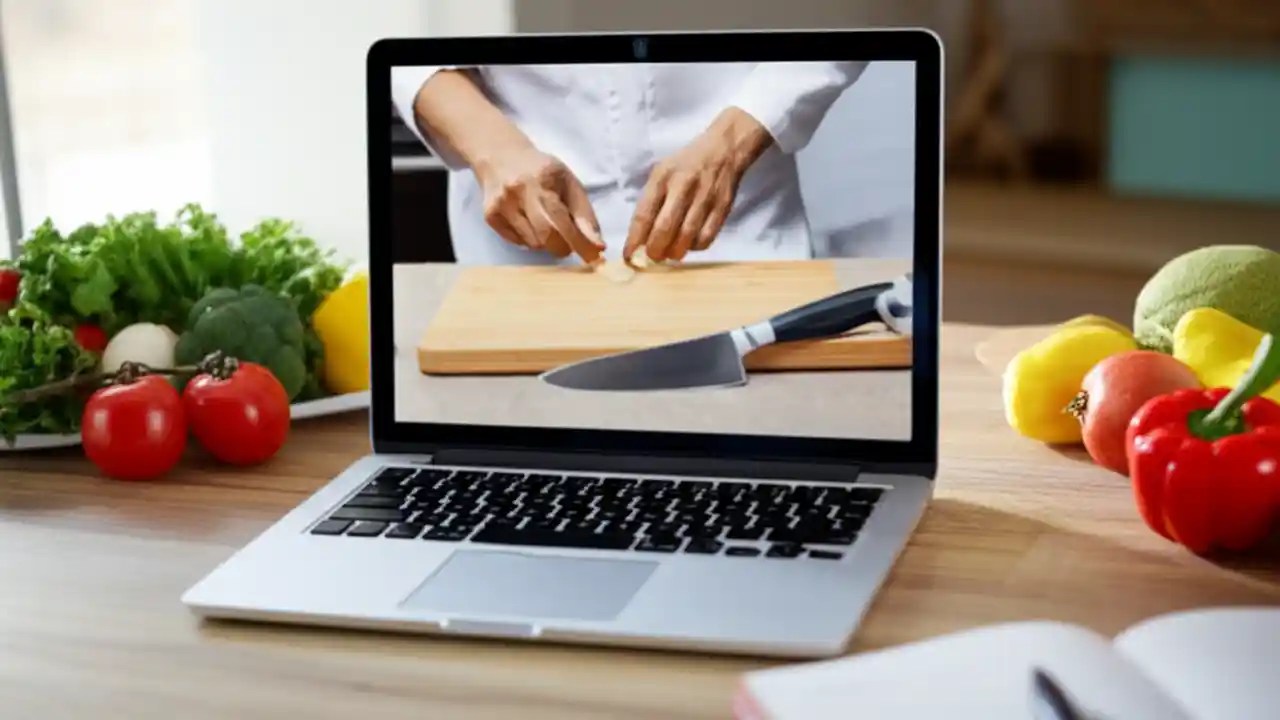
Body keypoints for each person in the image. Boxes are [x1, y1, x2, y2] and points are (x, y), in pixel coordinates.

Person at [391, 61, 866, 266]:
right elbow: (398, 33)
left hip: (741, 235)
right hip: (519, 253)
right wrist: (494, 147)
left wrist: (733, 140)